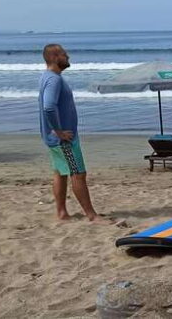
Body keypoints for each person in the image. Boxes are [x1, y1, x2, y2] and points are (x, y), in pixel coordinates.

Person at [39, 44, 108, 223]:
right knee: (78, 173)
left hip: (56, 138)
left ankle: (62, 212)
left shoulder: (48, 77)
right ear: (54, 57)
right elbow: (48, 107)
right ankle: (91, 215)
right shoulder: (53, 79)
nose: (68, 56)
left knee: (60, 173)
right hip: (64, 140)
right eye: (64, 53)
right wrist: (59, 131)